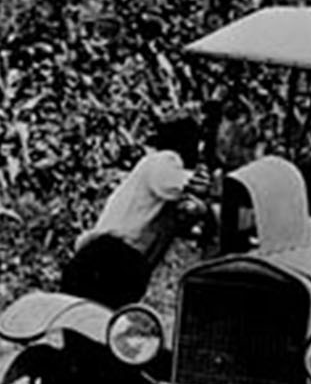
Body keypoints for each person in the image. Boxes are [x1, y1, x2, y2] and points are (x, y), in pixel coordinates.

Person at [60, 113, 211, 307]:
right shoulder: (165, 160)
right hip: (110, 256)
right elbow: (186, 185)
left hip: (108, 256)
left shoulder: (149, 172)